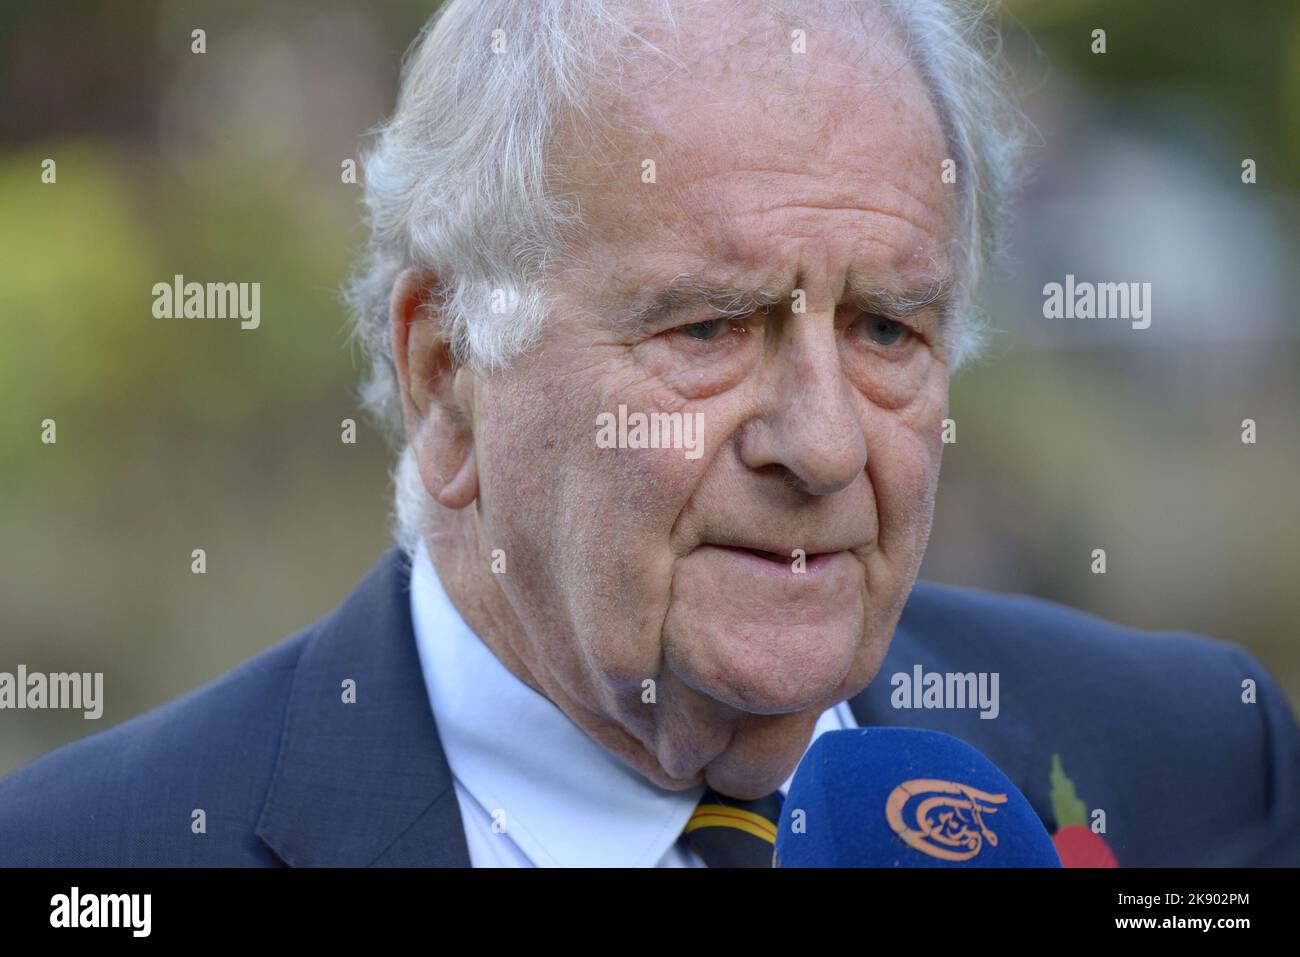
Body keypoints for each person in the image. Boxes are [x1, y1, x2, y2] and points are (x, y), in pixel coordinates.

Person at [2, 0, 1296, 867]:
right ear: (449, 375)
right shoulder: (89, 857)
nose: (826, 444)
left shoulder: (1207, 765)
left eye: (888, 328)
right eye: (713, 327)